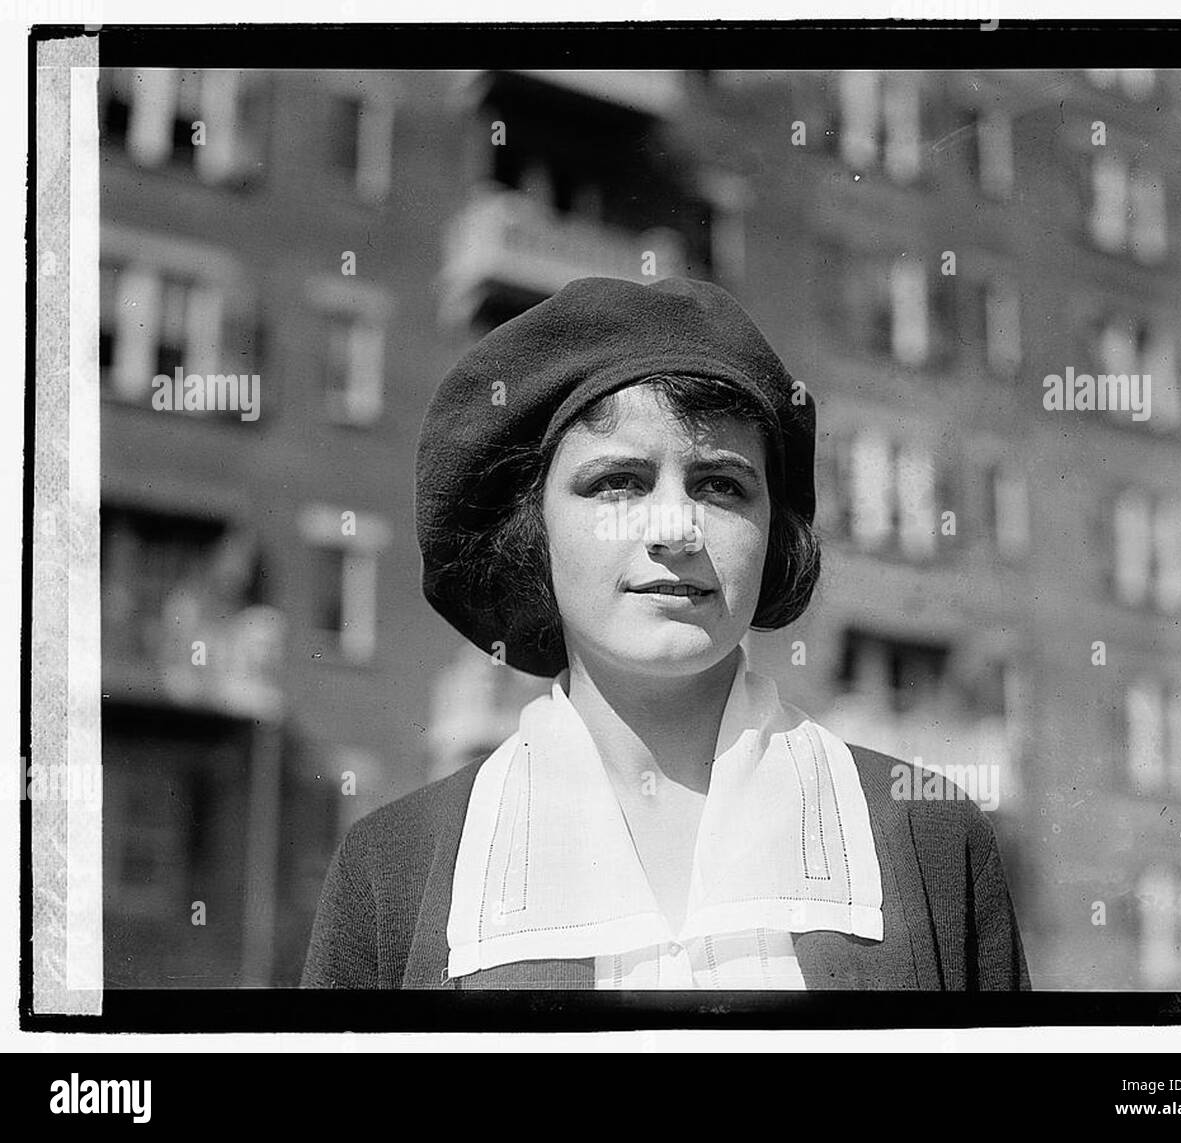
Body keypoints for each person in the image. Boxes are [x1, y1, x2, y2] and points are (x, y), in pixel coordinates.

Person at [301, 276, 1030, 990]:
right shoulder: (393, 870)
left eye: (721, 485)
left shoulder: (929, 841)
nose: (675, 528)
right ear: (535, 529)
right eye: (617, 481)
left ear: (772, 528)